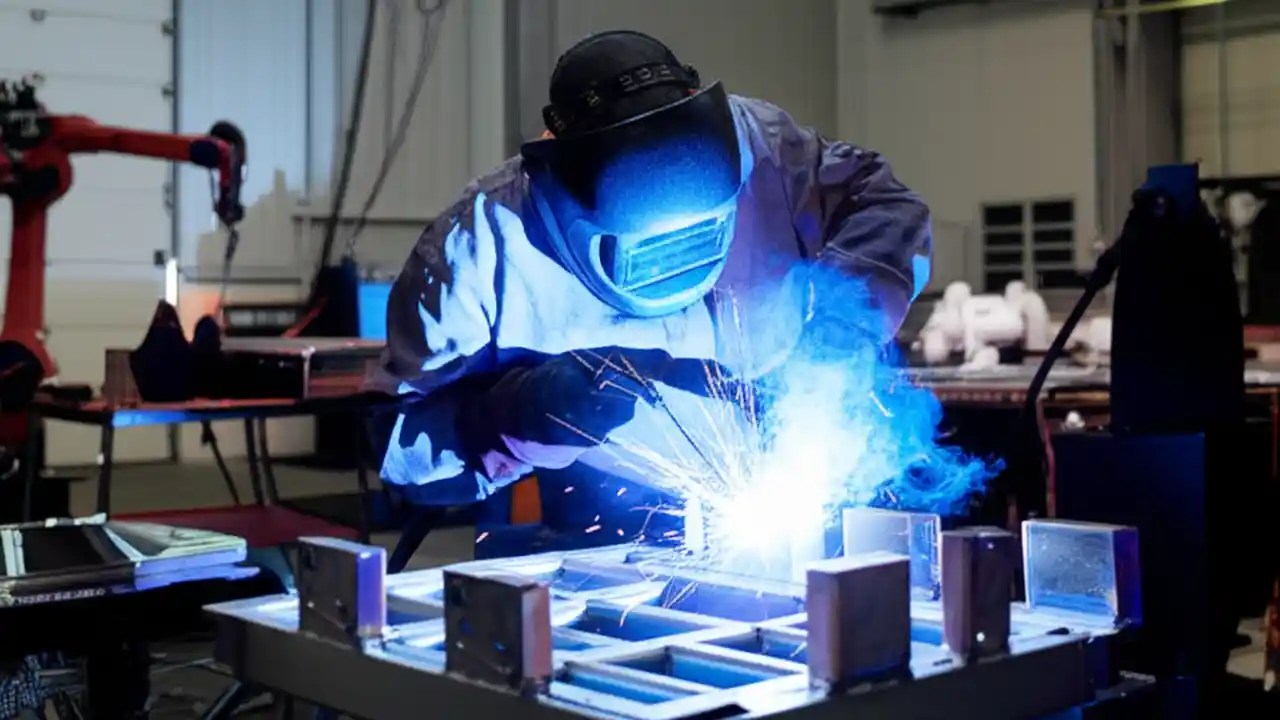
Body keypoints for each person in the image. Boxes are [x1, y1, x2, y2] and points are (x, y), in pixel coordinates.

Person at [375, 30, 933, 565]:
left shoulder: (761, 149)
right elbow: (398, 451)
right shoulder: (480, 249)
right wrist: (513, 419)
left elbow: (885, 205)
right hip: (604, 516)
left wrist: (840, 330)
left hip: (784, 466)